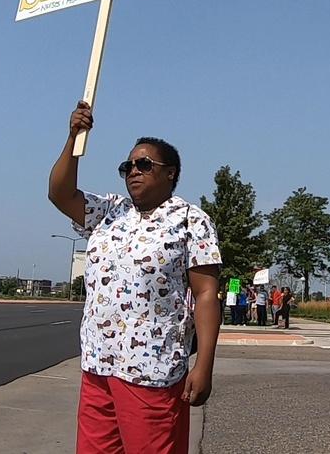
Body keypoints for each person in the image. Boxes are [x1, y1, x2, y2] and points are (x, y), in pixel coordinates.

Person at [49, 101, 222, 454]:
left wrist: (204, 364)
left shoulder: (190, 219)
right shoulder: (109, 212)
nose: (133, 171)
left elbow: (206, 294)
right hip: (98, 364)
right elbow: (60, 193)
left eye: (144, 164)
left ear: (171, 173)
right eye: (127, 166)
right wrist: (73, 139)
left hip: (151, 371)